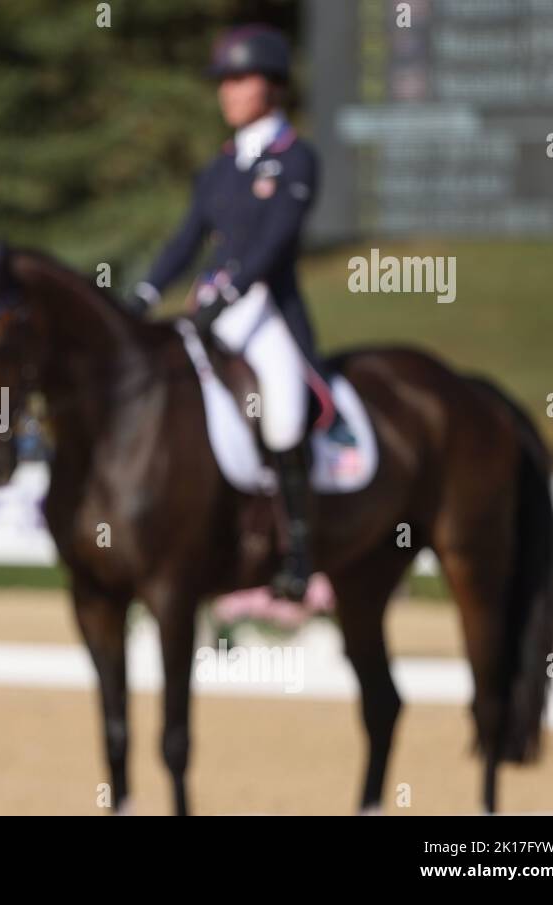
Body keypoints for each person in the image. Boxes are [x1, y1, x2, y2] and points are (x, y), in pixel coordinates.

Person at [129, 24, 332, 602]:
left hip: (265, 309)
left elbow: (274, 243)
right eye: (223, 82)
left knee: (284, 413)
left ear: (271, 87)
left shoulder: (296, 159)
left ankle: (298, 551)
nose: (227, 92)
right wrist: (145, 294)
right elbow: (185, 239)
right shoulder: (218, 168)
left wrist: (228, 293)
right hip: (211, 309)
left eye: (238, 80)